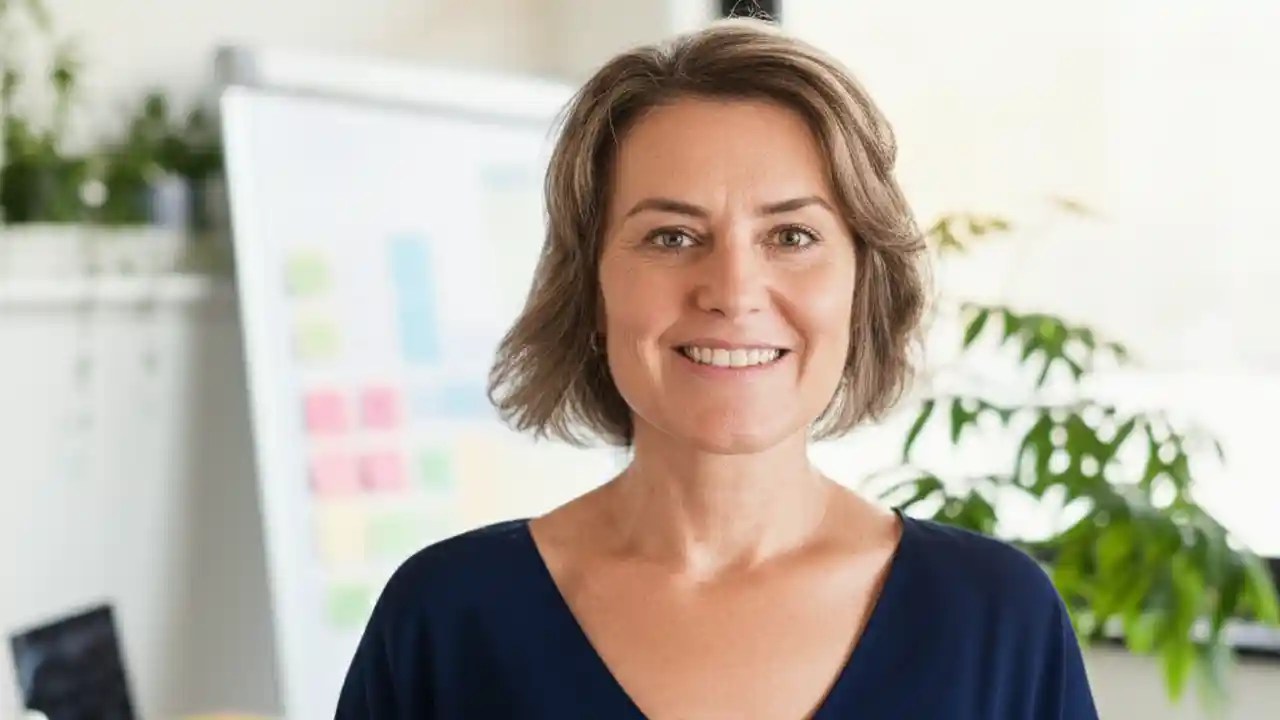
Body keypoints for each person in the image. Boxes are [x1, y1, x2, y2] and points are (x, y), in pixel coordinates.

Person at [336, 17, 1098, 719]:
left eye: (792, 236)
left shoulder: (997, 618)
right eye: (671, 237)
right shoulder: (448, 617)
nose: (732, 292)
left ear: (864, 282)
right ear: (591, 286)